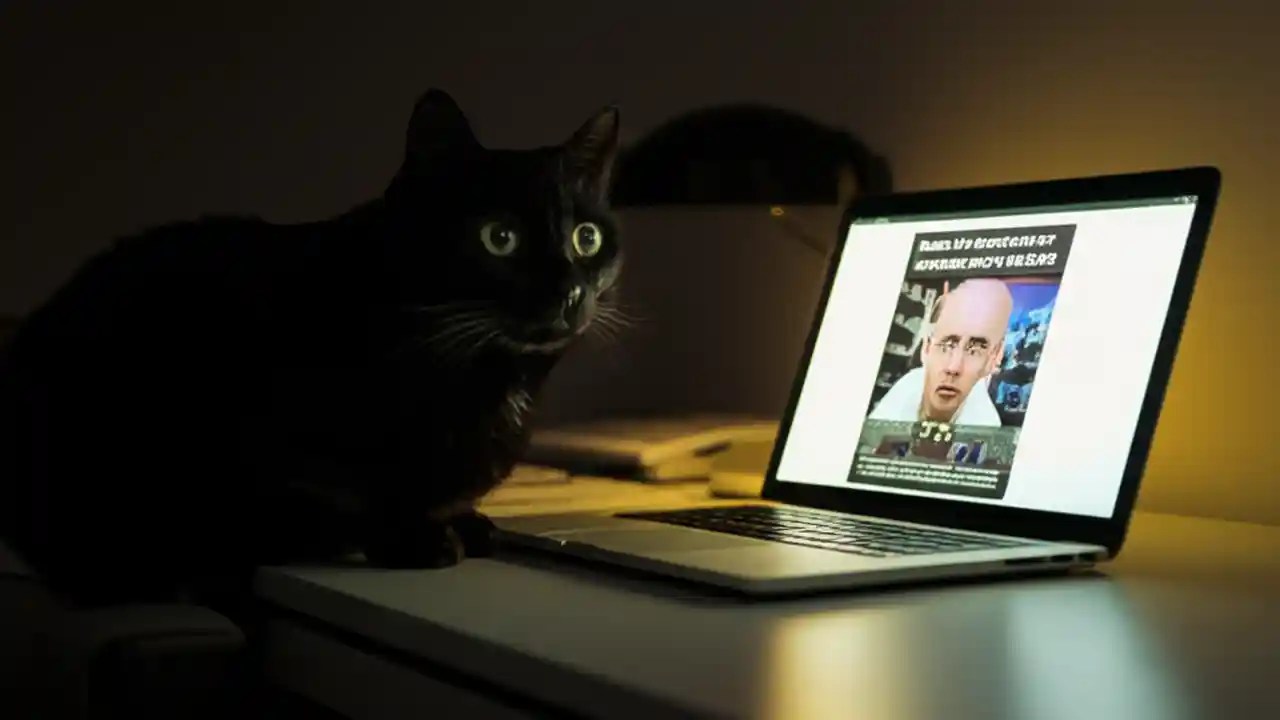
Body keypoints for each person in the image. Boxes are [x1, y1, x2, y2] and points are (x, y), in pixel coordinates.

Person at [870, 278, 1012, 426]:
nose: (953, 368)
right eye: (947, 346)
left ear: (993, 359)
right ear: (926, 347)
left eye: (974, 351)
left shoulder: (985, 423)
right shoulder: (909, 386)